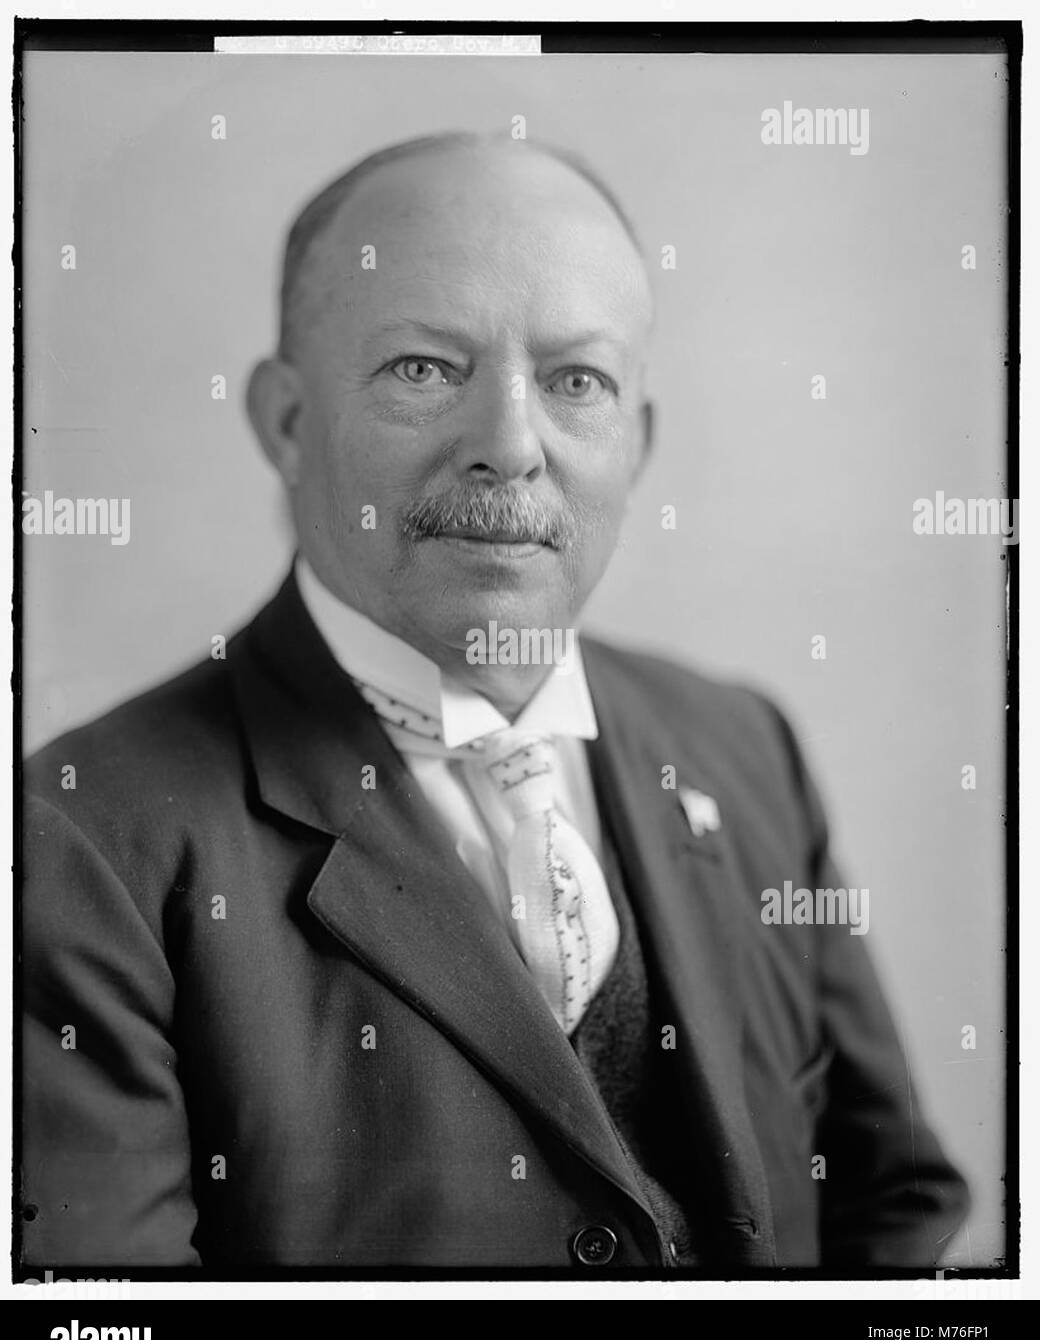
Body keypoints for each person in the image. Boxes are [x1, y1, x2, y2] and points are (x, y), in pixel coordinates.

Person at [20, 131, 968, 1271]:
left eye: (577, 381)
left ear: (637, 442)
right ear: (284, 420)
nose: (510, 447)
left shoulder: (741, 747)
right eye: (423, 368)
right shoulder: (78, 842)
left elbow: (892, 1211)